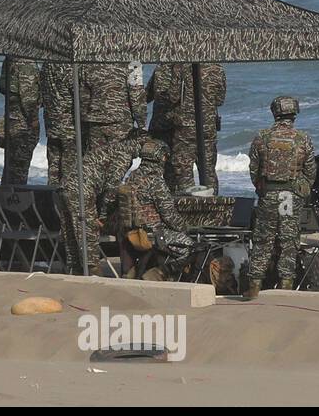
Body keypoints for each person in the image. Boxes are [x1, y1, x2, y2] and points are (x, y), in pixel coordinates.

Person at [245, 95, 316, 298]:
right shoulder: (302, 139)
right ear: (294, 113)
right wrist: (301, 190)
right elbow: (311, 171)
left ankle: (254, 287)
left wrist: (264, 190)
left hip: (268, 195)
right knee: (288, 241)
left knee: (262, 241)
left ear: (275, 112)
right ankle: (286, 287)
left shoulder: (262, 137)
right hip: (289, 196)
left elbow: (253, 170)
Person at [117, 138, 193, 279]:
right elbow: (169, 215)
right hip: (152, 235)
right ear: (161, 157)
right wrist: (186, 228)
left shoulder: (131, 176)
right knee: (191, 247)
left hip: (130, 232)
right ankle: (157, 274)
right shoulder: (156, 181)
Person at [148, 63, 227, 193]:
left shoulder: (181, 67)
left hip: (186, 127)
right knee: (208, 170)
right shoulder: (218, 68)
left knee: (183, 169)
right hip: (208, 126)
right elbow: (220, 100)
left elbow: (173, 96)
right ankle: (213, 204)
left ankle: (189, 203)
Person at [60, 137, 131, 277]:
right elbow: (111, 188)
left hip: (65, 186)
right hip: (81, 190)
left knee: (71, 233)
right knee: (88, 232)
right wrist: (104, 215)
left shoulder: (113, 148)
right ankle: (92, 272)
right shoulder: (125, 155)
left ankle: (74, 271)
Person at [78, 62, 146, 187]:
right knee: (120, 161)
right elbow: (136, 93)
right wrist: (141, 122)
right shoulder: (132, 62)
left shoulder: (89, 61)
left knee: (97, 161)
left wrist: (86, 118)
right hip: (120, 121)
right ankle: (111, 197)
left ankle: (97, 195)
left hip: (95, 121)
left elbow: (83, 95)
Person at [0, 56, 42, 185]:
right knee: (19, 168)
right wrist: (33, 120)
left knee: (10, 166)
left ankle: (5, 198)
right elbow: (28, 98)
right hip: (23, 122)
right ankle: (14, 200)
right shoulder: (26, 63)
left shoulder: (10, 59)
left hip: (11, 117)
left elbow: (2, 88)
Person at [39, 62, 77, 185]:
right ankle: (65, 196)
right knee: (69, 163)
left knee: (54, 162)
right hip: (68, 122)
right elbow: (75, 90)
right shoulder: (66, 66)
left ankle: (52, 195)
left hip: (51, 119)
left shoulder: (46, 65)